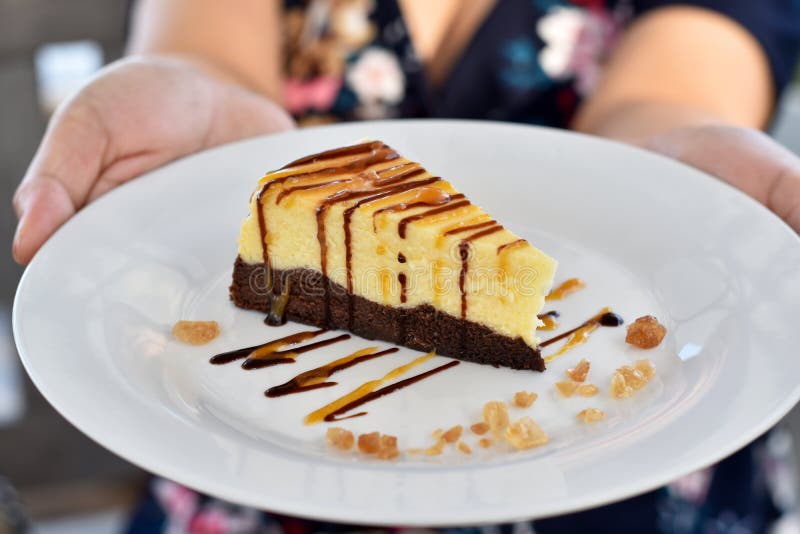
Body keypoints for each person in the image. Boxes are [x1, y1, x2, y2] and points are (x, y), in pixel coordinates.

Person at [13, 0, 800, 531]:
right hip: (243, 481)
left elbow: (665, 97)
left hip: (635, 495)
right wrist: (184, 92)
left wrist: (676, 164)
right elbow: (206, 52)